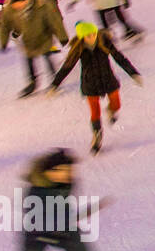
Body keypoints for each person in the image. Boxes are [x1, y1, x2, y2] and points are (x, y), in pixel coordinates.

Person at [49, 21, 142, 153]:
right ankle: (97, 136)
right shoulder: (79, 48)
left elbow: (119, 58)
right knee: (95, 111)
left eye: (93, 34)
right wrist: (55, 84)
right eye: (88, 36)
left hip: (107, 79)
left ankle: (111, 110)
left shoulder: (104, 42)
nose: (92, 37)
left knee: (116, 104)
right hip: (90, 83)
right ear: (82, 37)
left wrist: (133, 73)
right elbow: (67, 67)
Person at [0, 0, 68, 97]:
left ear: (26, 0)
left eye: (19, 4)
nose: (16, 7)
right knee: (28, 59)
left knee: (47, 56)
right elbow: (5, 26)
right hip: (27, 39)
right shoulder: (10, 8)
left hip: (43, 36)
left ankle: (55, 81)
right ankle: (32, 82)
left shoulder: (43, 4)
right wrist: (3, 42)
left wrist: (62, 37)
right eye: (14, 5)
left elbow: (55, 21)